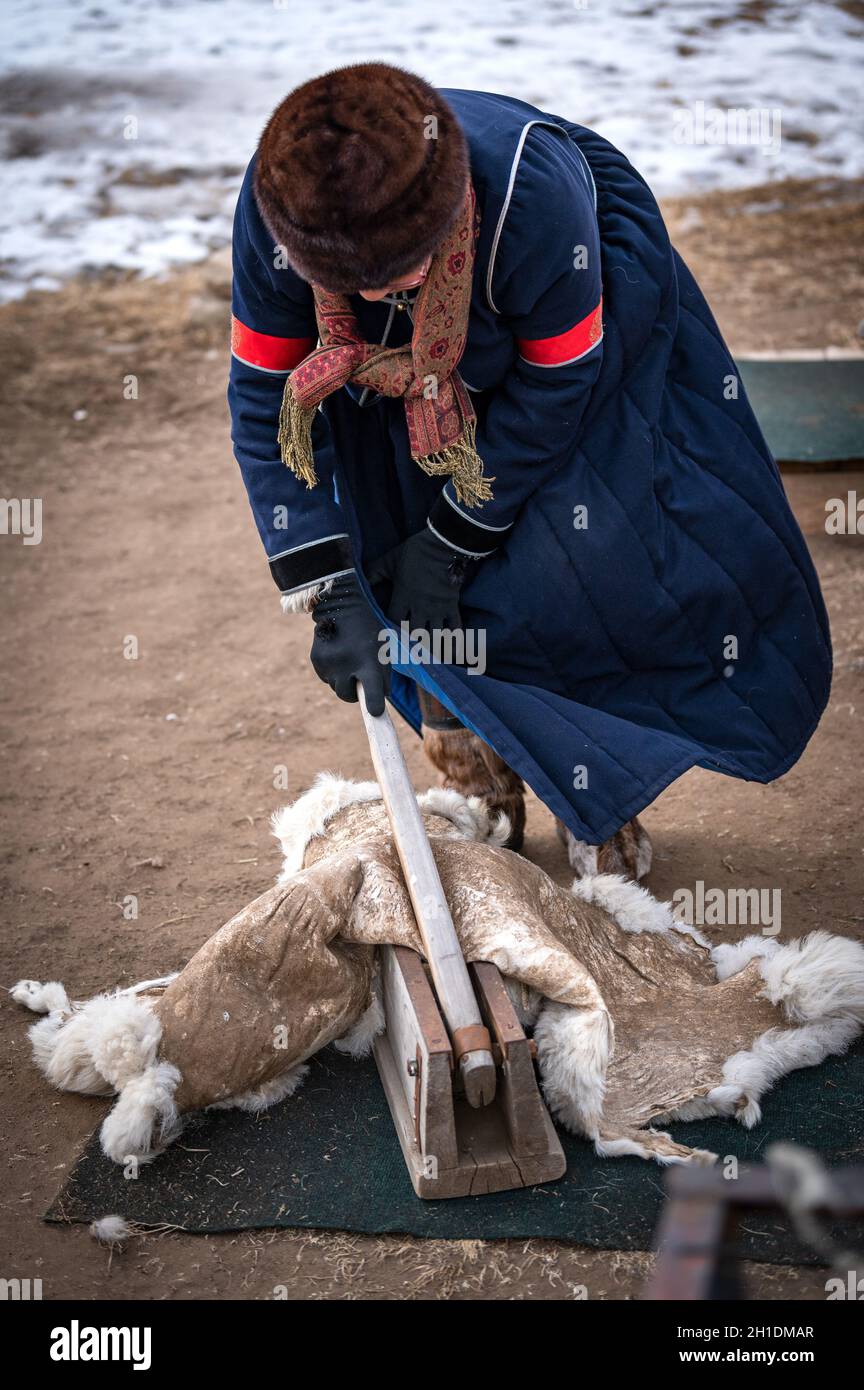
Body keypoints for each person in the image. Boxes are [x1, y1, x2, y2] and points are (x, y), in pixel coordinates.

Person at [228, 63, 831, 863]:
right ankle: (474, 774)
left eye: (398, 278)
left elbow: (559, 385)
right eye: (350, 286)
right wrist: (330, 592)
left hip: (562, 339)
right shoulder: (280, 211)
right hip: (383, 376)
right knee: (386, 545)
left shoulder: (532, 196)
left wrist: (453, 543)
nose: (378, 301)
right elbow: (265, 394)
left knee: (570, 550)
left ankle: (595, 792)